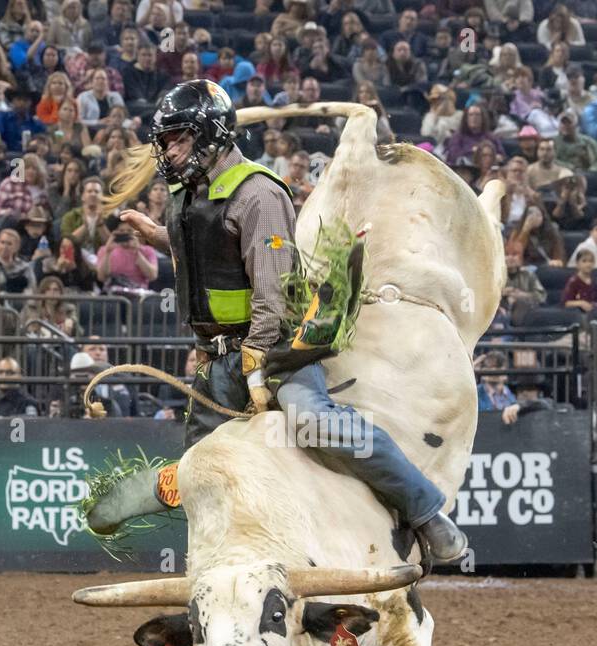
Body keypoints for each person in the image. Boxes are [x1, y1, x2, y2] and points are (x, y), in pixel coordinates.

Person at [85, 79, 468, 560]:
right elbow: (209, 248)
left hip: (276, 352)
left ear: (211, 135)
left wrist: (256, 365)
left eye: (177, 138)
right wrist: (159, 235)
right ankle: (201, 526)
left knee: (316, 422)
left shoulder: (259, 194)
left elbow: (270, 291)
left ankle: (426, 512)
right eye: (165, 140)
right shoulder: (186, 194)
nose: (167, 150)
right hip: (216, 359)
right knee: (205, 468)